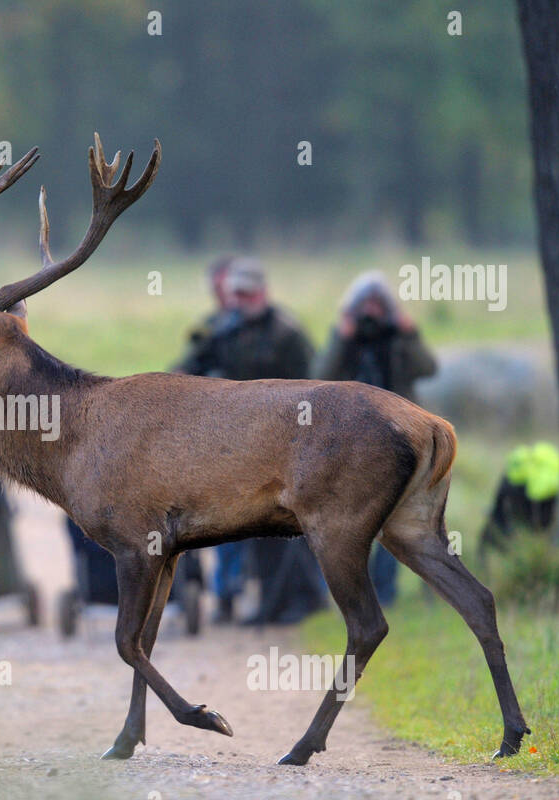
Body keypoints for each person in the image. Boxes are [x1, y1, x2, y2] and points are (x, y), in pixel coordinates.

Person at [174, 256, 322, 625]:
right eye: (236, 293)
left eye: (248, 294)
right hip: (245, 447)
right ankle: (270, 604)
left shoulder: (288, 334)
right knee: (259, 526)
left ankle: (305, 600)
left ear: (263, 293)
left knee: (297, 527)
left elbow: (318, 388)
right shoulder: (224, 330)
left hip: (291, 443)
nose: (242, 300)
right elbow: (189, 365)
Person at [316, 271, 437, 606]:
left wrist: (408, 333)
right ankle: (356, 590)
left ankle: (388, 592)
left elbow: (428, 368)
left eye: (376, 305)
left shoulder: (397, 337)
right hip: (354, 441)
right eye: (363, 306)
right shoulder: (346, 338)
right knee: (353, 519)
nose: (370, 313)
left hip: (398, 434)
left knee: (394, 516)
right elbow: (322, 377)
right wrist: (343, 338)